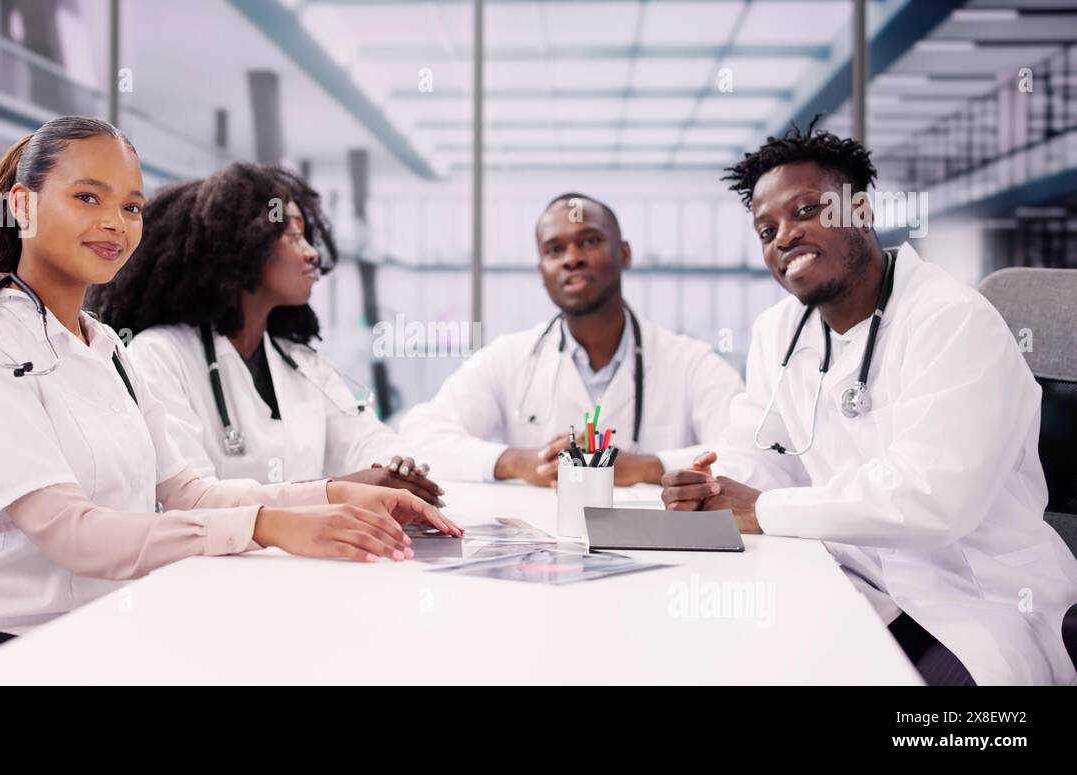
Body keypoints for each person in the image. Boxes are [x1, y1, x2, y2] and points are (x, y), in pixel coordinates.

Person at [0, 118, 461, 639]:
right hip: (6, 644)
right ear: (23, 207)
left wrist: (337, 494)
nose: (115, 222)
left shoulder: (104, 347)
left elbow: (188, 494)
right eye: (87, 197)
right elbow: (72, 535)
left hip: (109, 626)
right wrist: (264, 526)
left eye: (131, 206)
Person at [661, 119, 1077, 685]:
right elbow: (759, 455)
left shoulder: (951, 319)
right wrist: (712, 489)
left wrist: (758, 508)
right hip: (851, 584)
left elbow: (931, 500)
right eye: (766, 230)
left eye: (805, 211)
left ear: (860, 211)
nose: (783, 237)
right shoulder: (777, 331)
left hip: (974, 601)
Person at [91, 164, 444, 505]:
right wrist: (341, 489)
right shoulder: (160, 355)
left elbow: (366, 442)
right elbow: (192, 498)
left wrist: (397, 466)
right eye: (293, 237)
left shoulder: (302, 362)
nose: (311, 254)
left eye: (307, 237)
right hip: (210, 563)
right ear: (244, 247)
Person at [400, 192, 744, 487]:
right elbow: (421, 436)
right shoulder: (508, 357)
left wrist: (646, 467)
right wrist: (520, 461)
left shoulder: (691, 362)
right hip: (543, 551)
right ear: (542, 272)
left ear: (624, 253)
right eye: (554, 249)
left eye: (590, 241)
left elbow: (746, 452)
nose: (572, 258)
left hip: (662, 553)